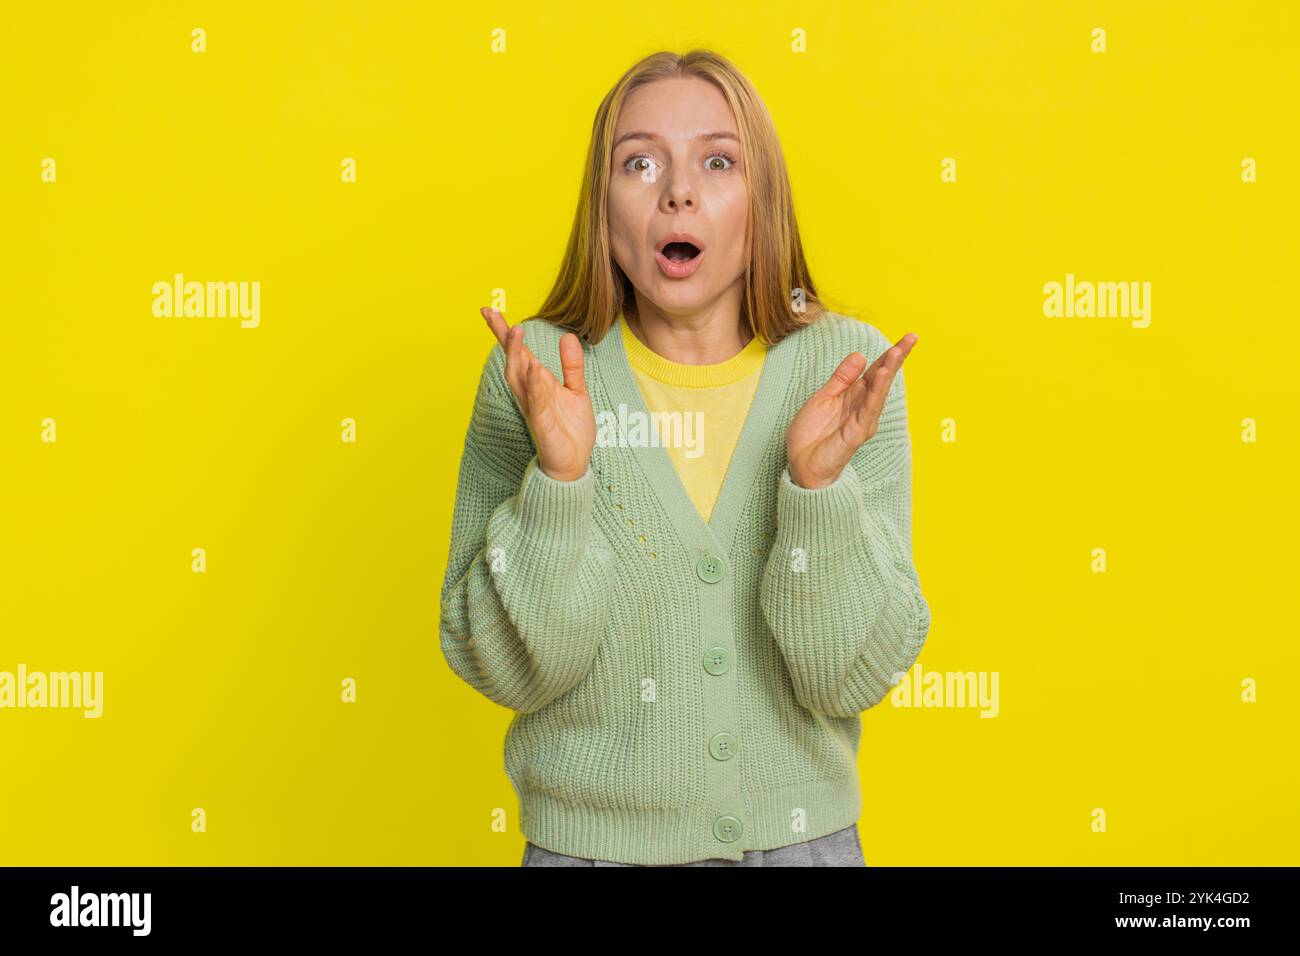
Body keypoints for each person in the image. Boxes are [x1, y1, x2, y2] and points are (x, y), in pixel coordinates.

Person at [439, 48, 930, 867]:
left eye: (717, 160)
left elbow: (851, 676)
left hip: (805, 847)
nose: (678, 190)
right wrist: (560, 481)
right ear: (604, 208)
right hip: (587, 853)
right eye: (638, 162)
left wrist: (816, 488)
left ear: (759, 198)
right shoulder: (535, 372)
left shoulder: (845, 372)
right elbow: (511, 672)